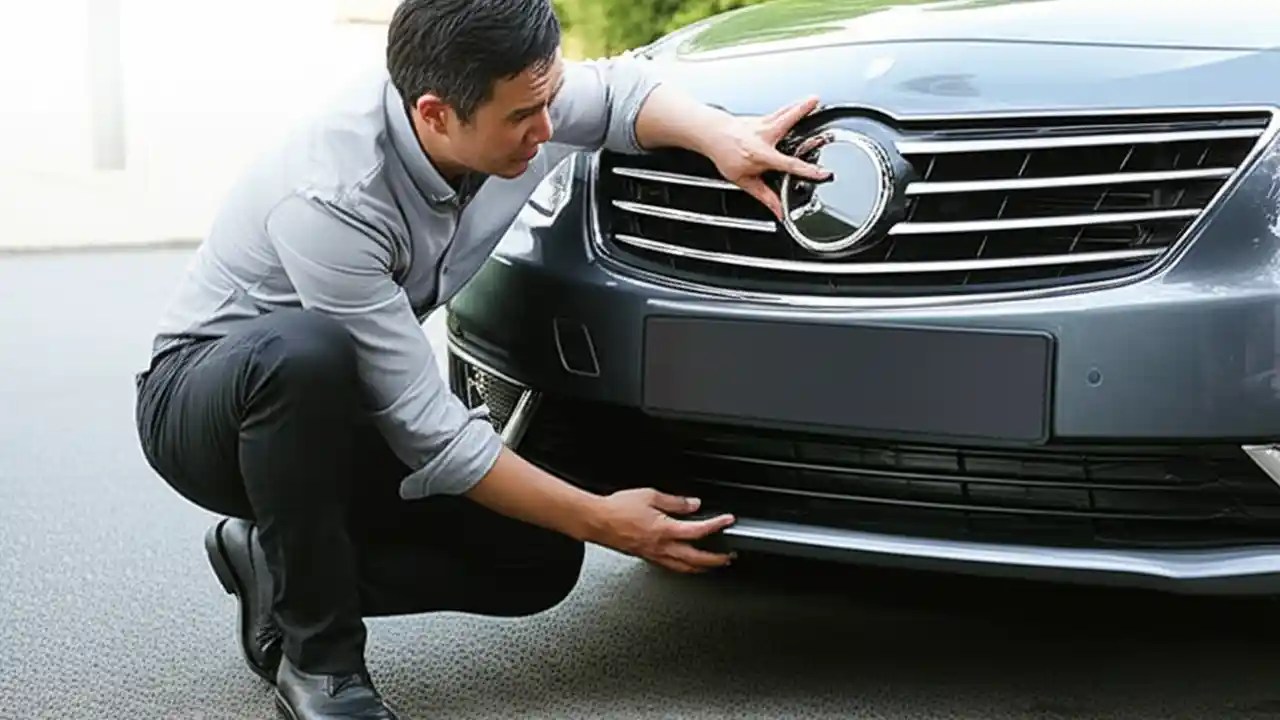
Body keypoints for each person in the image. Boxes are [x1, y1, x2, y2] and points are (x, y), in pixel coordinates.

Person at [132, 0, 828, 717]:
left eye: (551, 100)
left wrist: (724, 137)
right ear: (435, 115)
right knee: (304, 351)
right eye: (526, 116)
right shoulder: (331, 195)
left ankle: (279, 567)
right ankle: (322, 665)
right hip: (212, 402)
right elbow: (428, 427)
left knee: (539, 559)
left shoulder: (511, 95)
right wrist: (608, 519)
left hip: (345, 409)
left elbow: (621, 92)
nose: (549, 129)